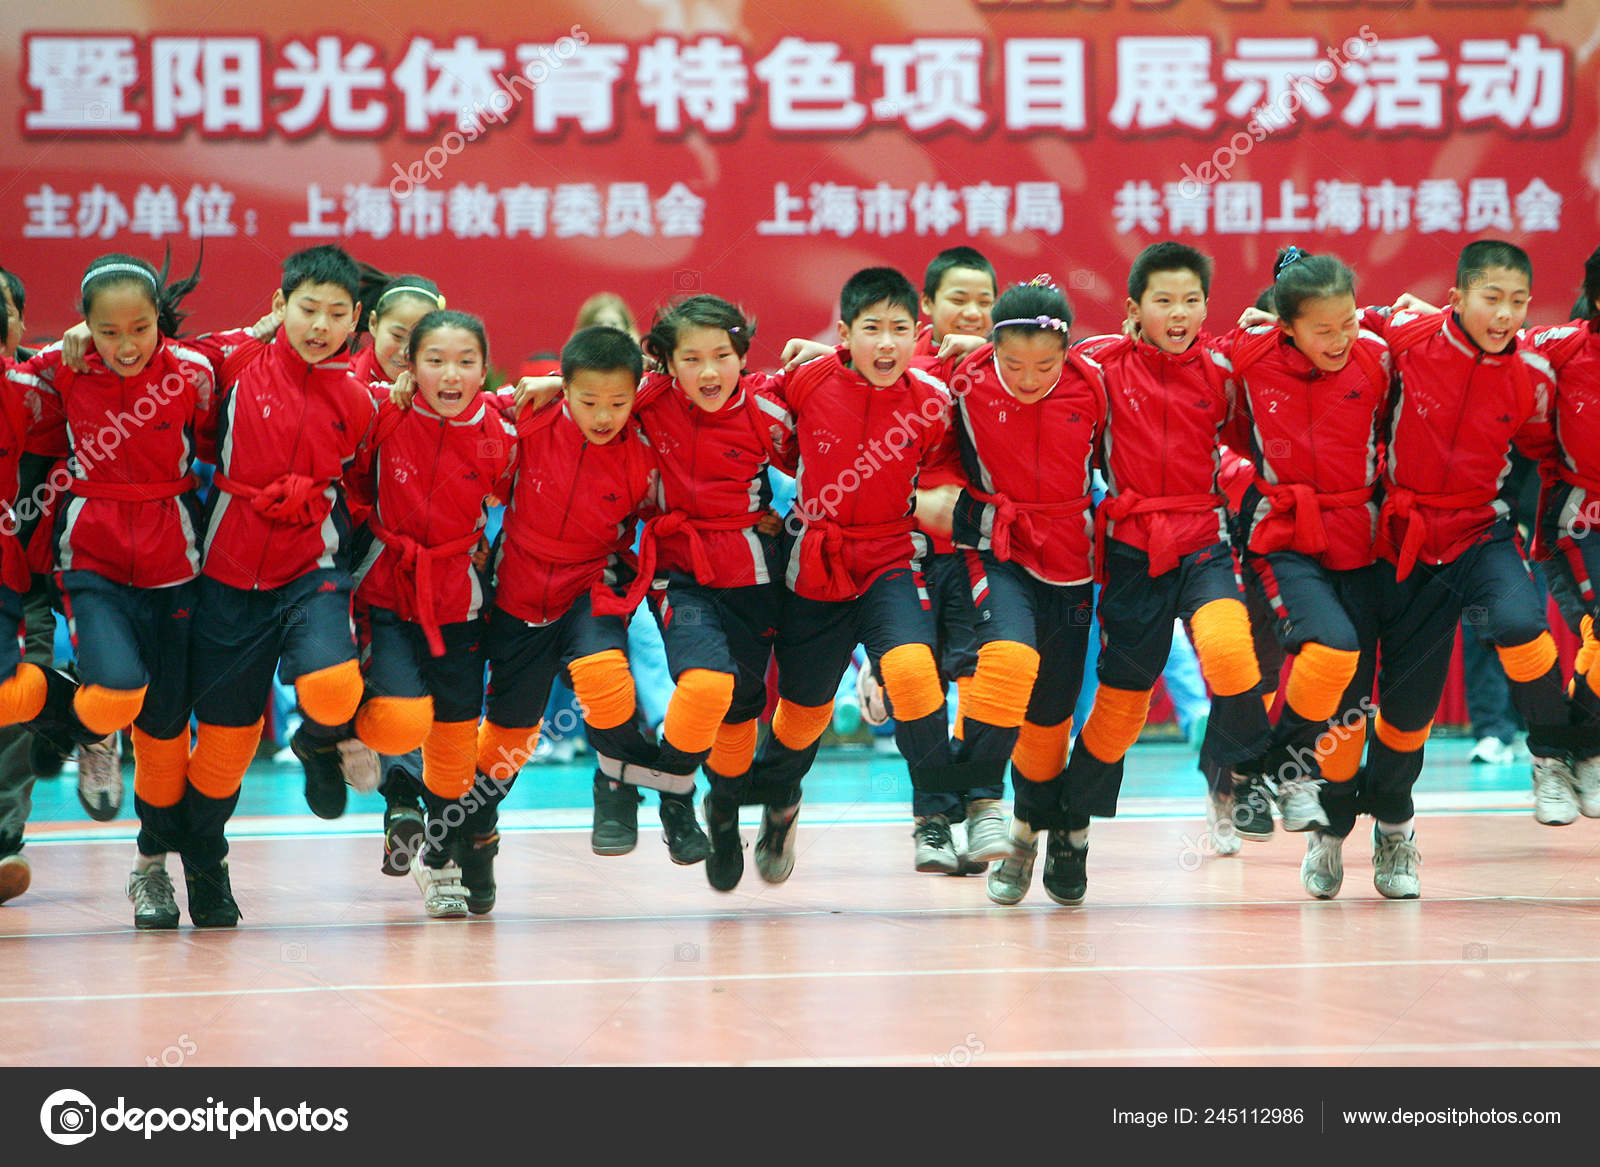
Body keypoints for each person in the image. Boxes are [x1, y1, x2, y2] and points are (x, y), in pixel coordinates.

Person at [1356, 240, 1567, 893]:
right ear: (1458, 297)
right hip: (1404, 542)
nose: (1504, 314)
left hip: (1480, 529)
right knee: (1406, 712)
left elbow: (1541, 446)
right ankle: (1392, 833)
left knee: (1523, 627)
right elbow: (1327, 321)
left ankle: (1551, 757)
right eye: (1491, 298)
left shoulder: (1533, 371)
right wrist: (1270, 316)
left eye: (1517, 302)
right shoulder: (1407, 334)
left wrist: (1543, 519)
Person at [741, 267, 962, 886]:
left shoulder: (931, 401)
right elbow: (736, 400)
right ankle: (781, 808)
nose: (886, 344)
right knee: (803, 711)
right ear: (844, 333)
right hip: (814, 564)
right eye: (871, 330)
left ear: (918, 334)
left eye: (899, 330)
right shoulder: (806, 381)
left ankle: (935, 818)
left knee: (916, 674)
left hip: (892, 558)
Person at [182, 244, 379, 925]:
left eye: (336, 314)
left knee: (334, 685)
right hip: (227, 580)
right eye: (307, 310)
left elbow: (360, 478)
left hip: (311, 569)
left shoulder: (357, 400)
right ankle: (205, 865)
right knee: (225, 750)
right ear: (278, 307)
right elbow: (178, 378)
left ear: (356, 319)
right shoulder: (231, 362)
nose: (320, 325)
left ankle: (319, 741)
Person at [1063, 241, 1270, 870]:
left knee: (1235, 658)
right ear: (1133, 307)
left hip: (1205, 539)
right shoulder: (1096, 366)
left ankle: (1239, 779)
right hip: (1132, 550)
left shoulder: (1223, 369)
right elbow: (1024, 364)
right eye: (1164, 302)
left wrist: (1280, 332)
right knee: (1122, 706)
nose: (1179, 314)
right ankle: (1070, 828)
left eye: (1191, 301)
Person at [1223, 248, 1392, 899]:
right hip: (1285, 540)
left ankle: (1348, 824)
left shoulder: (1377, 354)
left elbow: (1434, 339)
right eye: (1323, 328)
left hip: (1365, 545)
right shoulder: (1248, 356)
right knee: (1328, 648)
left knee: (1356, 704)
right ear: (1285, 322)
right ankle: (1268, 775)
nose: (1340, 338)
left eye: (1347, 321)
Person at [935, 279, 1104, 907]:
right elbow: (888, 367)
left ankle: (1040, 830)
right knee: (1008, 659)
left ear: (1067, 350)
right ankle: (974, 796)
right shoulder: (964, 373)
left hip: (1073, 564)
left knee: (1050, 719)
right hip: (994, 549)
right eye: (1013, 365)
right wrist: (822, 355)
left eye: (1045, 365)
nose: (1029, 378)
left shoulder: (1095, 384)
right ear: (992, 349)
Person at [346, 309, 517, 917]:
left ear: (484, 367)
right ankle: (342, 742)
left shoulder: (501, 428)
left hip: (462, 602)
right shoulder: (381, 412)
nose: (450, 374)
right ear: (409, 365)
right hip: (390, 595)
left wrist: (545, 387)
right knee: (398, 717)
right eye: (435, 361)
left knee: (453, 743)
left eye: (465, 362)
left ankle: (442, 862)